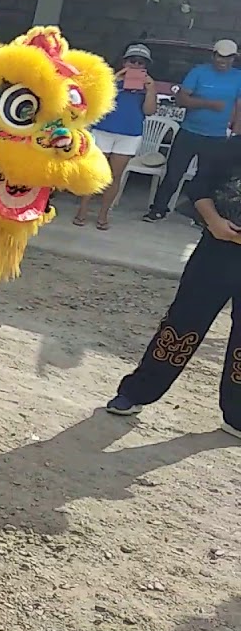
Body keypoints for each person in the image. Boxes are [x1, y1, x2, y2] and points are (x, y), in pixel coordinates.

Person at [105, 133, 241, 439]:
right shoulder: (232, 148)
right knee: (183, 322)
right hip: (216, 251)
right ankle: (137, 393)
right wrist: (214, 222)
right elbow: (200, 187)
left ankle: (238, 415)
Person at [144, 39, 241, 222]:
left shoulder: (238, 77)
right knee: (173, 174)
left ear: (234, 58)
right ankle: (158, 209)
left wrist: (235, 135)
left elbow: (239, 106)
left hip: (217, 137)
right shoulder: (199, 72)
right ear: (214, 55)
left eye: (228, 57)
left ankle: (201, 217)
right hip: (189, 132)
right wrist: (208, 104)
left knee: (207, 179)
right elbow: (181, 100)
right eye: (220, 56)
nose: (223, 61)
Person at [73, 43, 158, 230]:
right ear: (124, 61)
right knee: (94, 172)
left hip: (129, 134)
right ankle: (83, 209)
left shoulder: (147, 86)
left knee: (114, 176)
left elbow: (150, 111)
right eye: (131, 61)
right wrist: (114, 81)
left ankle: (103, 214)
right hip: (104, 130)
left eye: (140, 62)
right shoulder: (110, 80)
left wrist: (151, 90)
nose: (135, 65)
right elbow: (93, 102)